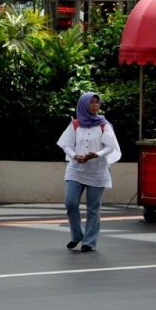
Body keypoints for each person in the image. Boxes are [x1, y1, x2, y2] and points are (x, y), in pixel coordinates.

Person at [56, 91, 121, 252]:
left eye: (97, 102)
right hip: (76, 169)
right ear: (84, 105)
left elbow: (110, 147)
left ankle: (89, 241)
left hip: (97, 171)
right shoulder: (75, 124)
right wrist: (74, 156)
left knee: (93, 208)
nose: (95, 105)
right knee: (70, 203)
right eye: (91, 102)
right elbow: (66, 145)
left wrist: (97, 154)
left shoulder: (104, 125)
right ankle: (77, 234)